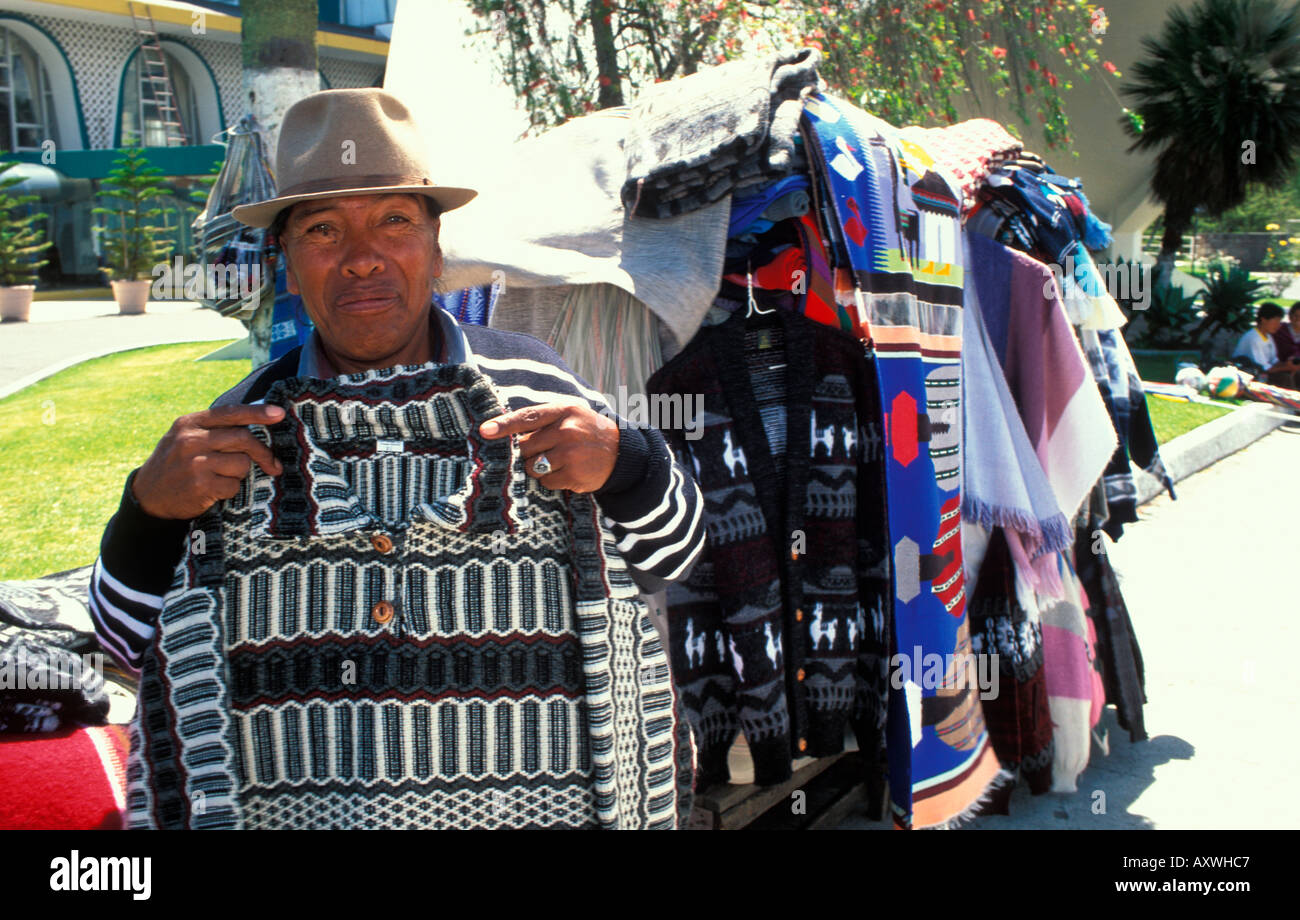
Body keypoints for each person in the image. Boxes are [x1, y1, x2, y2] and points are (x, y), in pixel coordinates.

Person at [87, 89, 705, 829]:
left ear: (437, 248)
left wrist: (628, 461)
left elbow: (677, 558)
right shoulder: (237, 430)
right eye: (323, 229)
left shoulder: (540, 391)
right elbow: (123, 645)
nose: (361, 259)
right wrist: (147, 511)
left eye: (394, 221)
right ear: (286, 262)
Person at [1232, 301, 1300, 388]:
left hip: (1264, 370)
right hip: (1251, 373)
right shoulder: (1254, 338)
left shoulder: (1268, 336)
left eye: (1279, 322)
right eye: (1276, 322)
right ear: (1264, 320)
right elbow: (1264, 368)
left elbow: (1274, 361)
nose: (1278, 326)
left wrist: (1289, 364)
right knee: (1284, 378)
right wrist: (1288, 368)